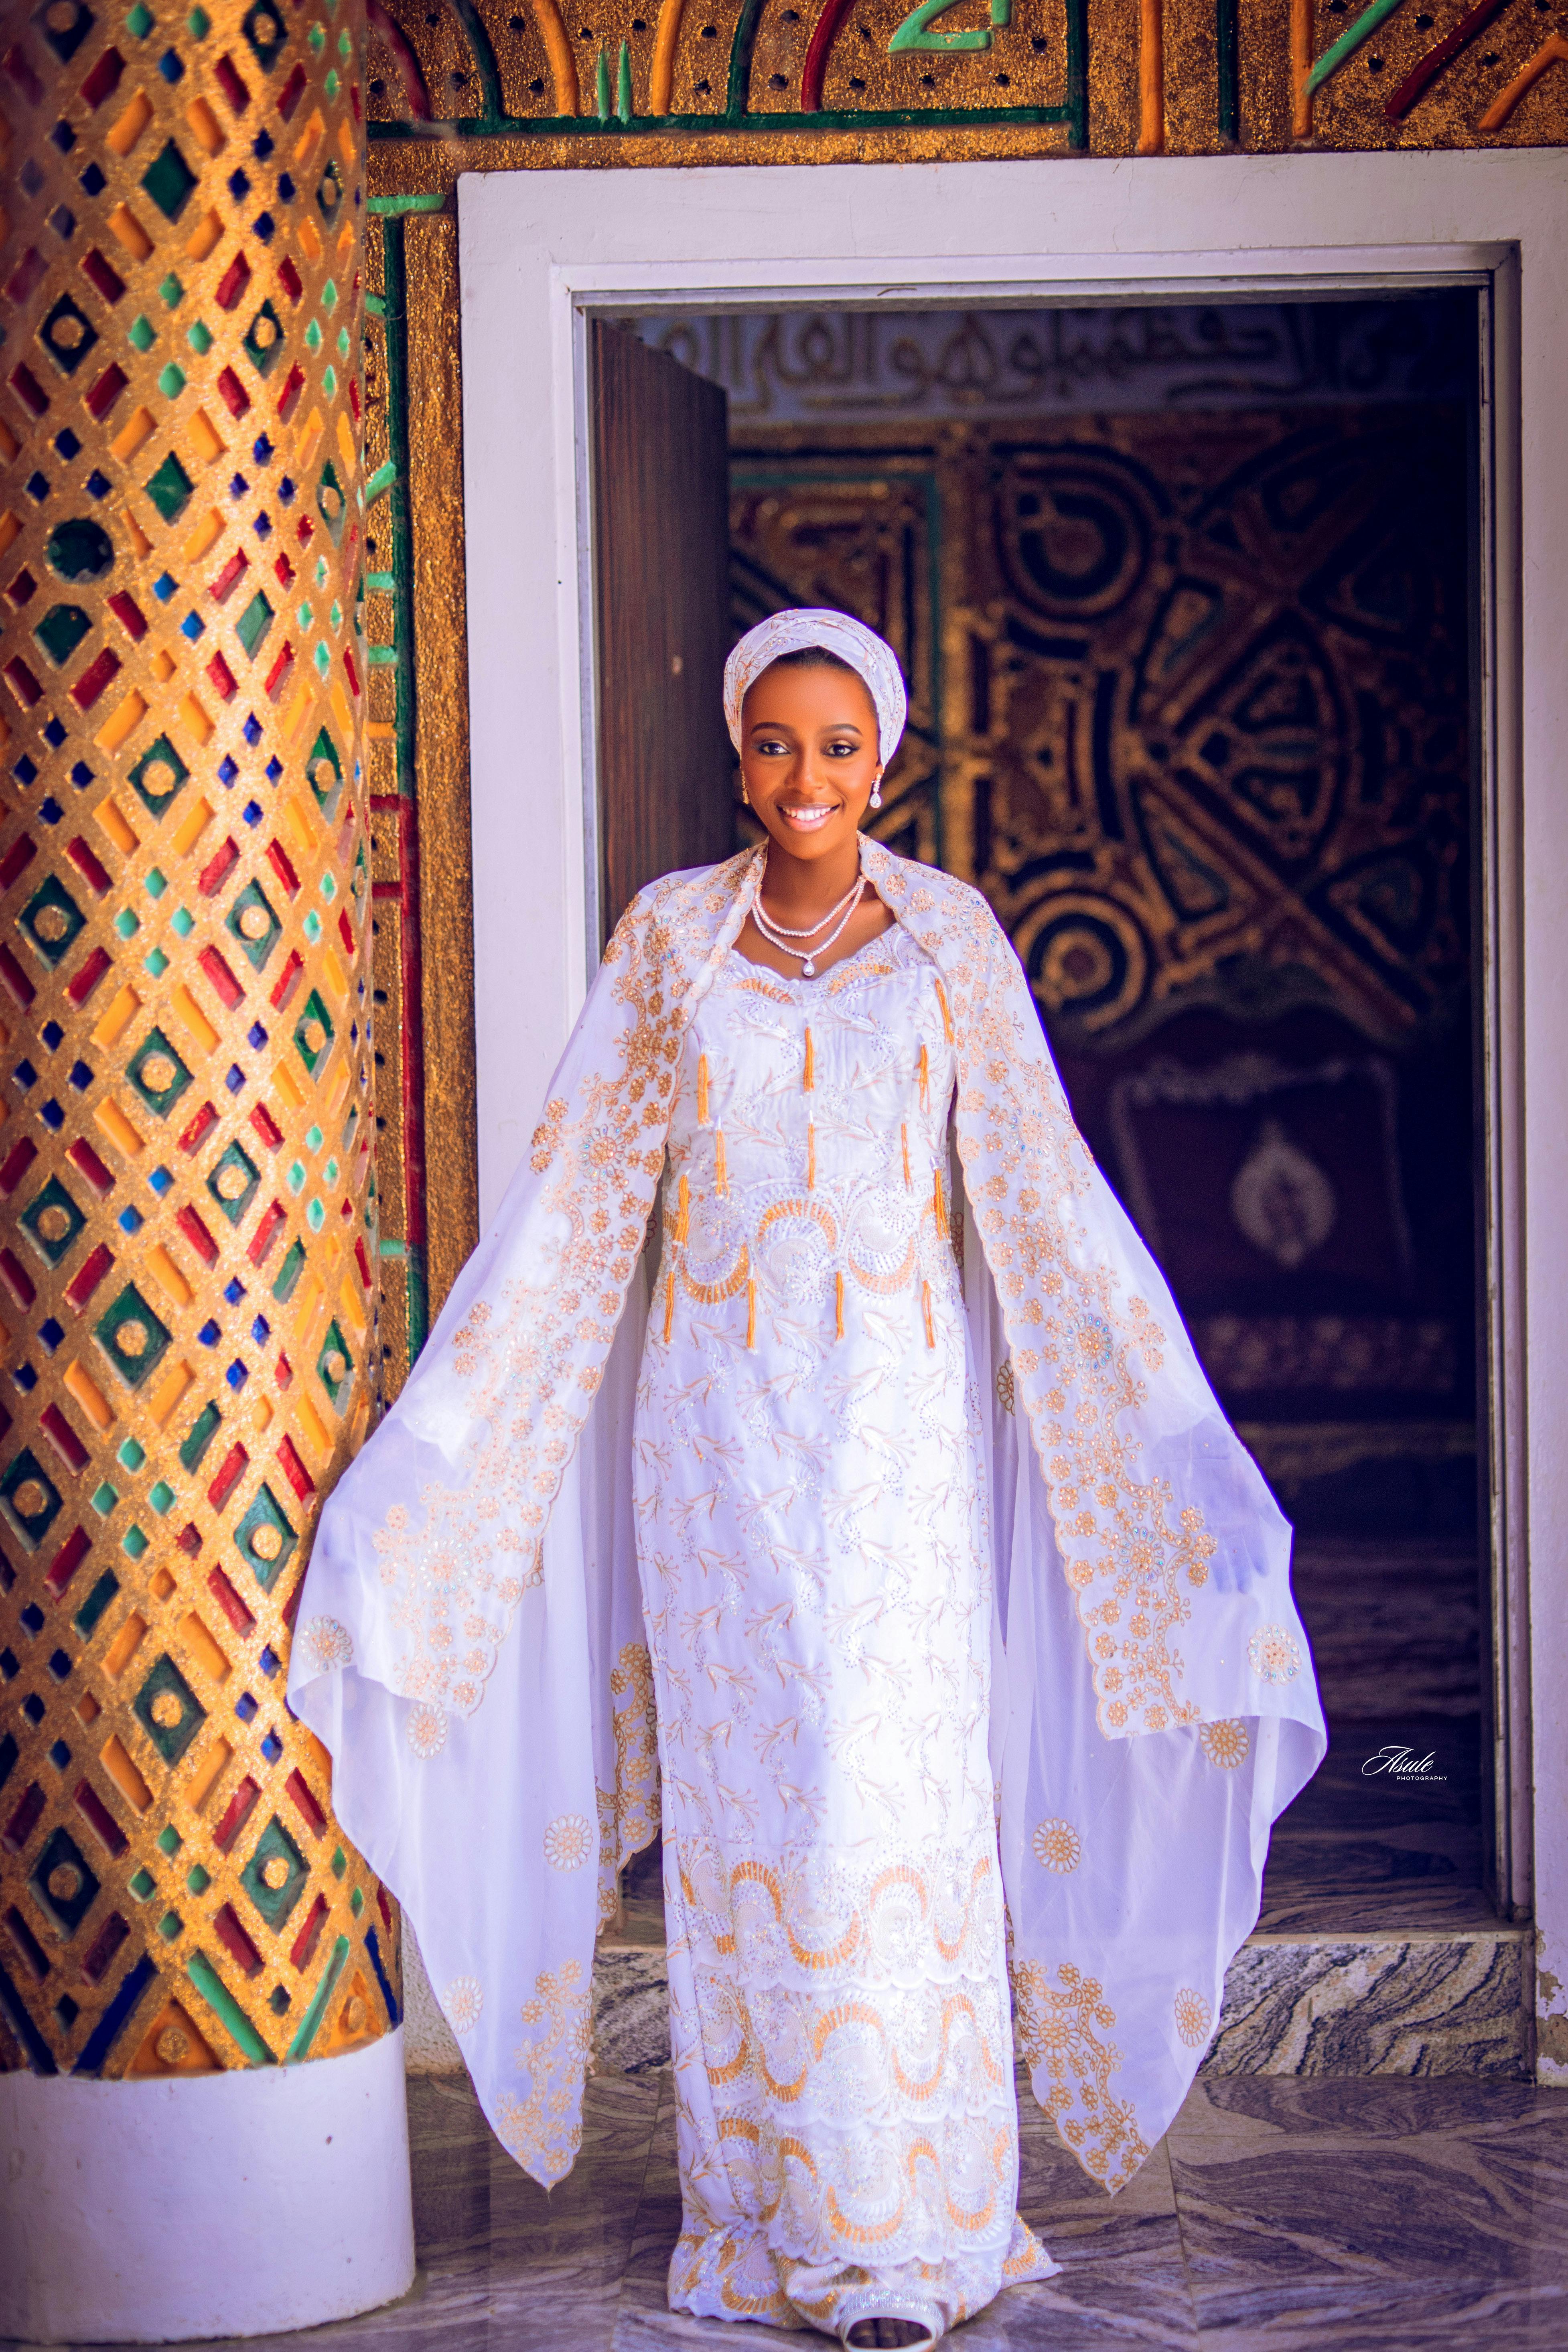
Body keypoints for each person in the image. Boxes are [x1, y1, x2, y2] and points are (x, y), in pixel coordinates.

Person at [289, 610, 1325, 2350]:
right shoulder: (670, 941)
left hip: (899, 1455)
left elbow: (1051, 1202)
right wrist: (437, 1459)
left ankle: (913, 2231)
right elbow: (567, 1219)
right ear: (735, 748)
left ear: (889, 754)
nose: (807, 776)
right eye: (776, 741)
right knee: (758, 1825)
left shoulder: (950, 942)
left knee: (887, 1798)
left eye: (839, 743)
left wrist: (1178, 1456)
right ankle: (770, 2223)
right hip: (713, 1462)